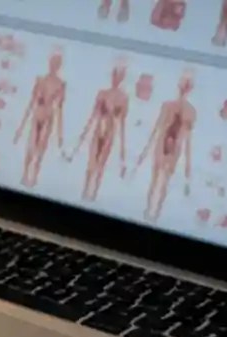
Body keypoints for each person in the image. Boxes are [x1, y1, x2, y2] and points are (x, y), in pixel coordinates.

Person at [136, 71, 197, 221]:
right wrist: (144, 153)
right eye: (183, 84)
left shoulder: (190, 111)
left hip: (175, 148)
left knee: (164, 181)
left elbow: (188, 140)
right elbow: (156, 129)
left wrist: (188, 166)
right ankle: (149, 209)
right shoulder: (168, 106)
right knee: (155, 178)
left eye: (187, 85)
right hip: (161, 144)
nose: (184, 87)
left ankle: (156, 212)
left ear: (190, 88)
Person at [69, 62, 130, 201]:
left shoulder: (123, 98)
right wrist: (82, 137)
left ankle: (93, 195)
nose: (116, 78)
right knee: (91, 164)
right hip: (99, 129)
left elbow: (122, 125)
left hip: (110, 131)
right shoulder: (102, 93)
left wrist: (122, 153)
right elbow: (93, 116)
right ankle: (85, 192)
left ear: (122, 78)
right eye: (115, 74)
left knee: (100, 166)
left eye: (119, 76)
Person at [13, 51, 67, 188]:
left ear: (59, 66)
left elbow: (60, 109)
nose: (53, 65)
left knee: (41, 148)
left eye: (56, 63)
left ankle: (34, 177)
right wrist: (20, 127)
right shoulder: (40, 80)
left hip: (48, 116)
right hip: (38, 113)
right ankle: (25, 174)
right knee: (31, 146)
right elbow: (31, 103)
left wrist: (60, 134)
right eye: (52, 62)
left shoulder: (61, 84)